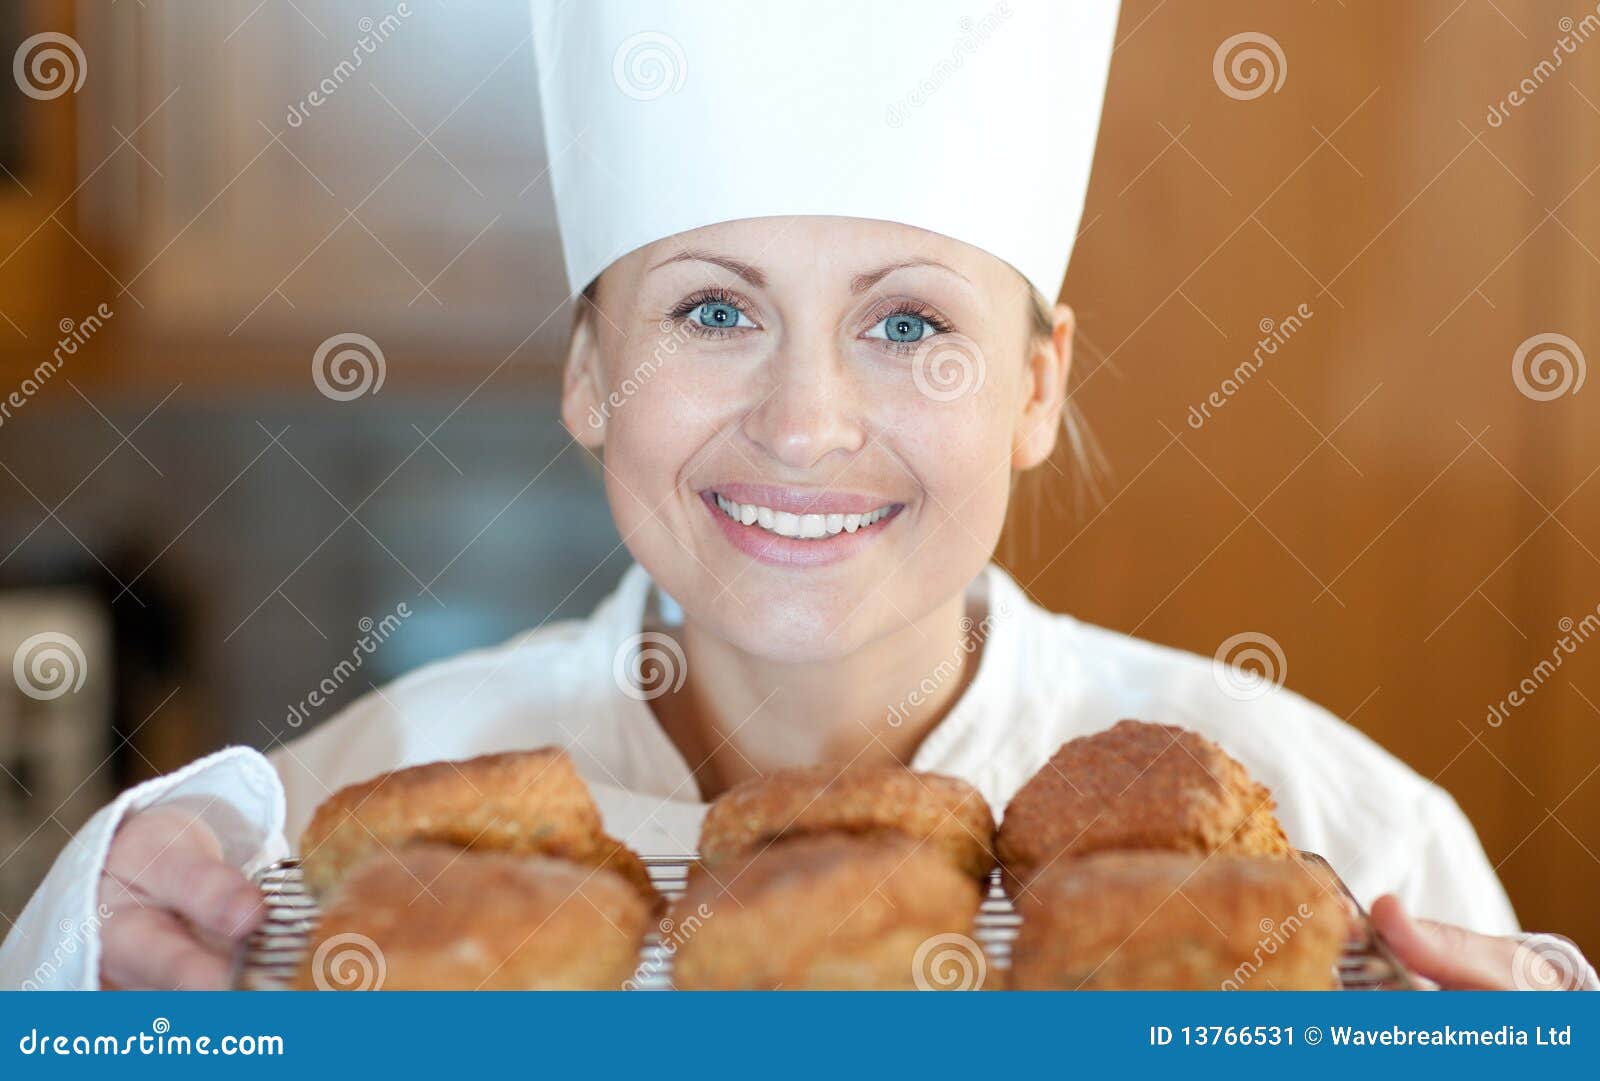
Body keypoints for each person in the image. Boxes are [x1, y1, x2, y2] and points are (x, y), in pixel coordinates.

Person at [2, 0, 1593, 992]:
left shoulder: (1350, 843)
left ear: (1036, 387)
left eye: (910, 324)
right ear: (587, 370)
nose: (808, 422)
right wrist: (89, 984)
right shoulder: (334, 826)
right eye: (712, 311)